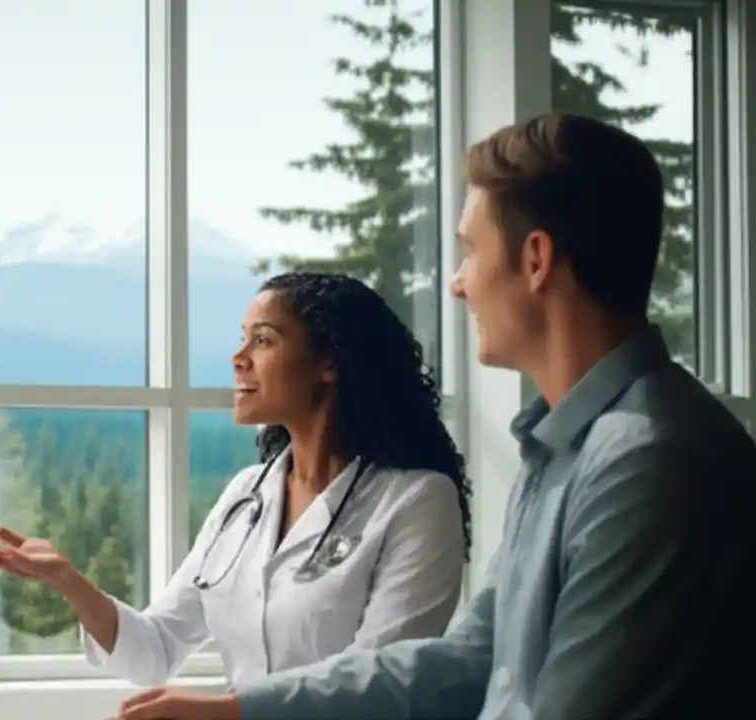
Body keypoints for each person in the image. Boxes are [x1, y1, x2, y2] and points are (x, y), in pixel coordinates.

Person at [109, 112, 756, 720]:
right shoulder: (562, 449)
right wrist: (242, 710)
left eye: (471, 251)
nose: (458, 282)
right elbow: (473, 660)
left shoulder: (648, 461)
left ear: (536, 260)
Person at [0, 271, 472, 689]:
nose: (239, 357)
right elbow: (155, 651)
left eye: (264, 340)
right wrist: (69, 582)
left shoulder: (416, 501)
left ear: (329, 362)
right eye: (242, 338)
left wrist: (227, 713)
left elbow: (376, 688)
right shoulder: (247, 496)